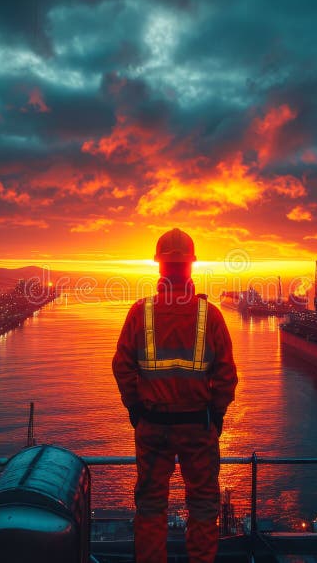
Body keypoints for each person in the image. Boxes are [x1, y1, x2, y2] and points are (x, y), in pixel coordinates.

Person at [112, 228, 238, 563]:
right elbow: (226, 375)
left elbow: (122, 365)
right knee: (202, 506)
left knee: (151, 506)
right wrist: (217, 414)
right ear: (191, 267)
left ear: (160, 267)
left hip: (152, 428)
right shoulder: (209, 316)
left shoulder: (141, 313)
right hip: (198, 427)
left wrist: (136, 408)